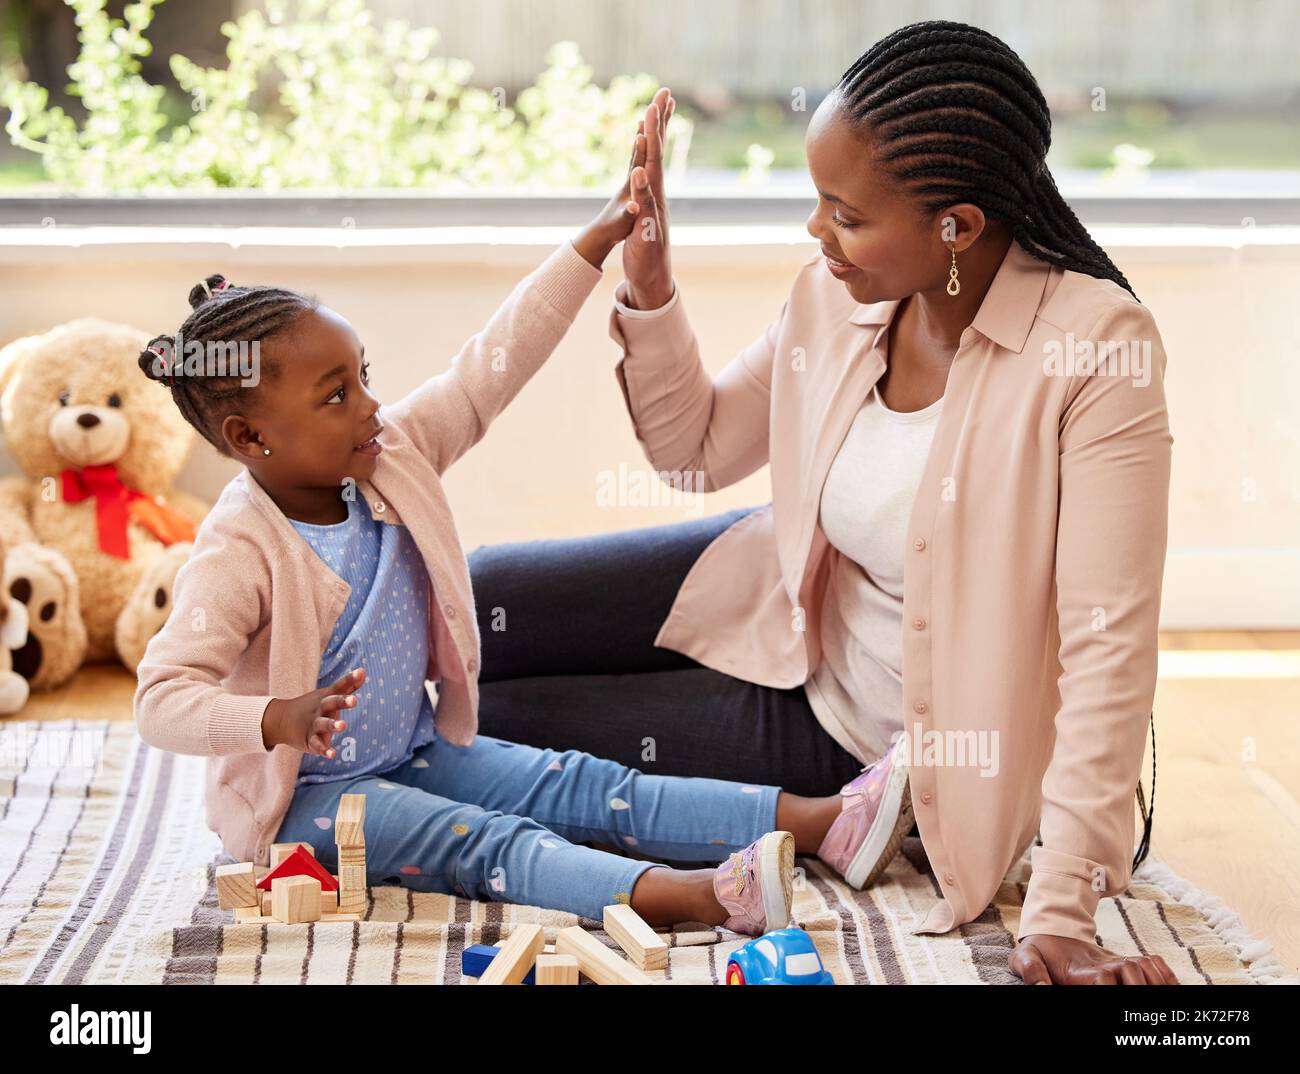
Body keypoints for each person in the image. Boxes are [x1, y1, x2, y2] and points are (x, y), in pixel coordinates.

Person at [473, 23, 1178, 984]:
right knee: (472, 601)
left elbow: (1110, 649)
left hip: (872, 741)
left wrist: (1061, 908)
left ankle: (850, 822)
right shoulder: (838, 296)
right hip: (788, 603)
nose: (818, 233)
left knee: (485, 719)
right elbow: (698, 448)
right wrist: (650, 288)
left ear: (957, 227)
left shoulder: (1096, 351)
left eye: (844, 215)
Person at [131, 148, 892, 936]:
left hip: (409, 747)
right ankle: (695, 898)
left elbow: (484, 372)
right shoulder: (238, 548)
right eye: (336, 396)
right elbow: (159, 701)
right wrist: (269, 720)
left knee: (578, 781)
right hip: (307, 808)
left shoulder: (388, 454)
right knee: (493, 842)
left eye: (362, 376)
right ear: (249, 436)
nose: (370, 406)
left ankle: (821, 820)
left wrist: (591, 248)